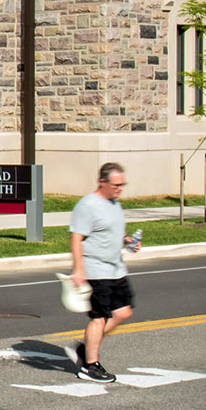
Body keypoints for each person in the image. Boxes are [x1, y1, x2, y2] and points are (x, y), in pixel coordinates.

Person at [67, 161, 140, 381]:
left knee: (123, 312)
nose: (119, 188)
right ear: (102, 182)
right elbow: (76, 238)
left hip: (116, 269)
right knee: (99, 318)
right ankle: (90, 366)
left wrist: (128, 241)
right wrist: (79, 269)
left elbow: (111, 232)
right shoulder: (87, 205)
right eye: (116, 184)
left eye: (122, 185)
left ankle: (85, 348)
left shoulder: (114, 203)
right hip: (96, 270)